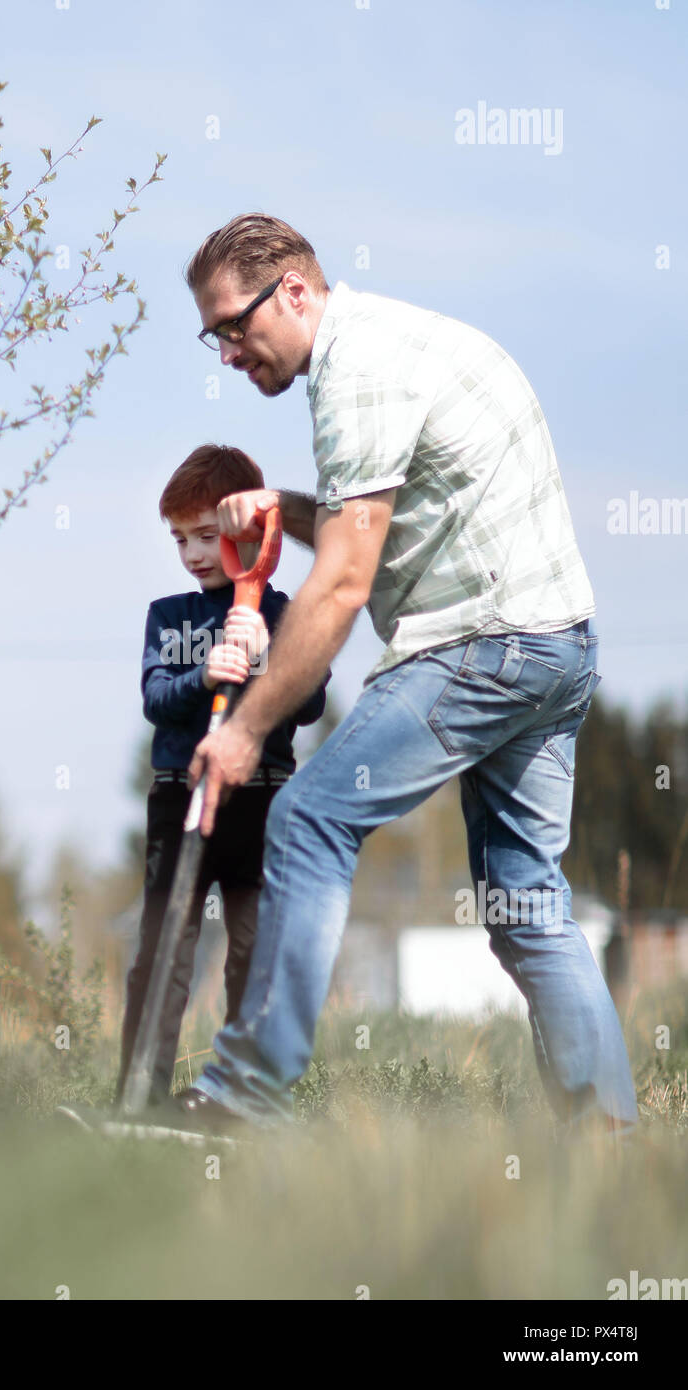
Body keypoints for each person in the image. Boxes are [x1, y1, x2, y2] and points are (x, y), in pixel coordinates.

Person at [172, 213, 639, 1138]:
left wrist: (242, 729)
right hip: (556, 650)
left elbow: (343, 583)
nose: (226, 351)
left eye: (233, 325)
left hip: (483, 649)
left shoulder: (360, 373)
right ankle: (606, 1141)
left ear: (294, 291)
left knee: (309, 817)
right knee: (525, 903)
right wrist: (288, 509)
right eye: (212, 334)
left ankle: (241, 1099)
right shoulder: (395, 341)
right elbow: (385, 528)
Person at [115, 442, 329, 1106]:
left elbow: (313, 702)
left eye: (207, 535)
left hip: (262, 802)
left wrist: (270, 661)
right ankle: (139, 1097)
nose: (194, 553)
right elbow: (154, 700)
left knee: (251, 952)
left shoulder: (280, 611)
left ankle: (243, 1094)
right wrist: (204, 674)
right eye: (181, 539)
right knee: (162, 951)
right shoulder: (168, 616)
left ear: (247, 535)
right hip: (180, 797)